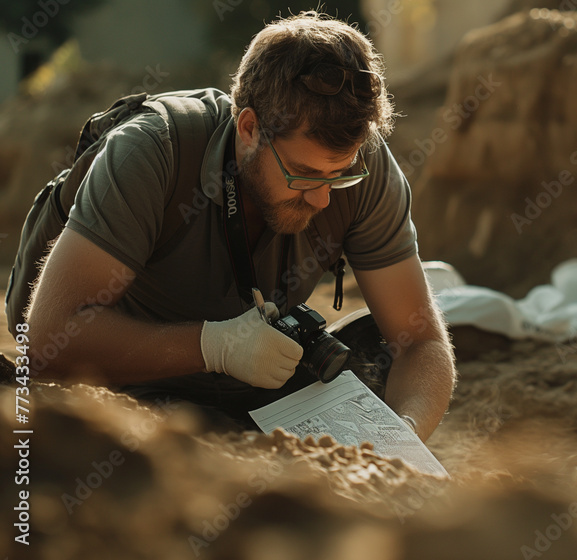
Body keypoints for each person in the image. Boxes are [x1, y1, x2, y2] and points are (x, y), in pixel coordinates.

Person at [23, 12, 456, 441]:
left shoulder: (363, 165)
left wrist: (404, 438)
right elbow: (47, 339)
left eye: (339, 176)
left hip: (259, 378)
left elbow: (420, 341)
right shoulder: (154, 152)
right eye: (304, 175)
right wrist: (213, 347)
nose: (323, 199)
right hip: (136, 371)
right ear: (249, 129)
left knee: (373, 357)